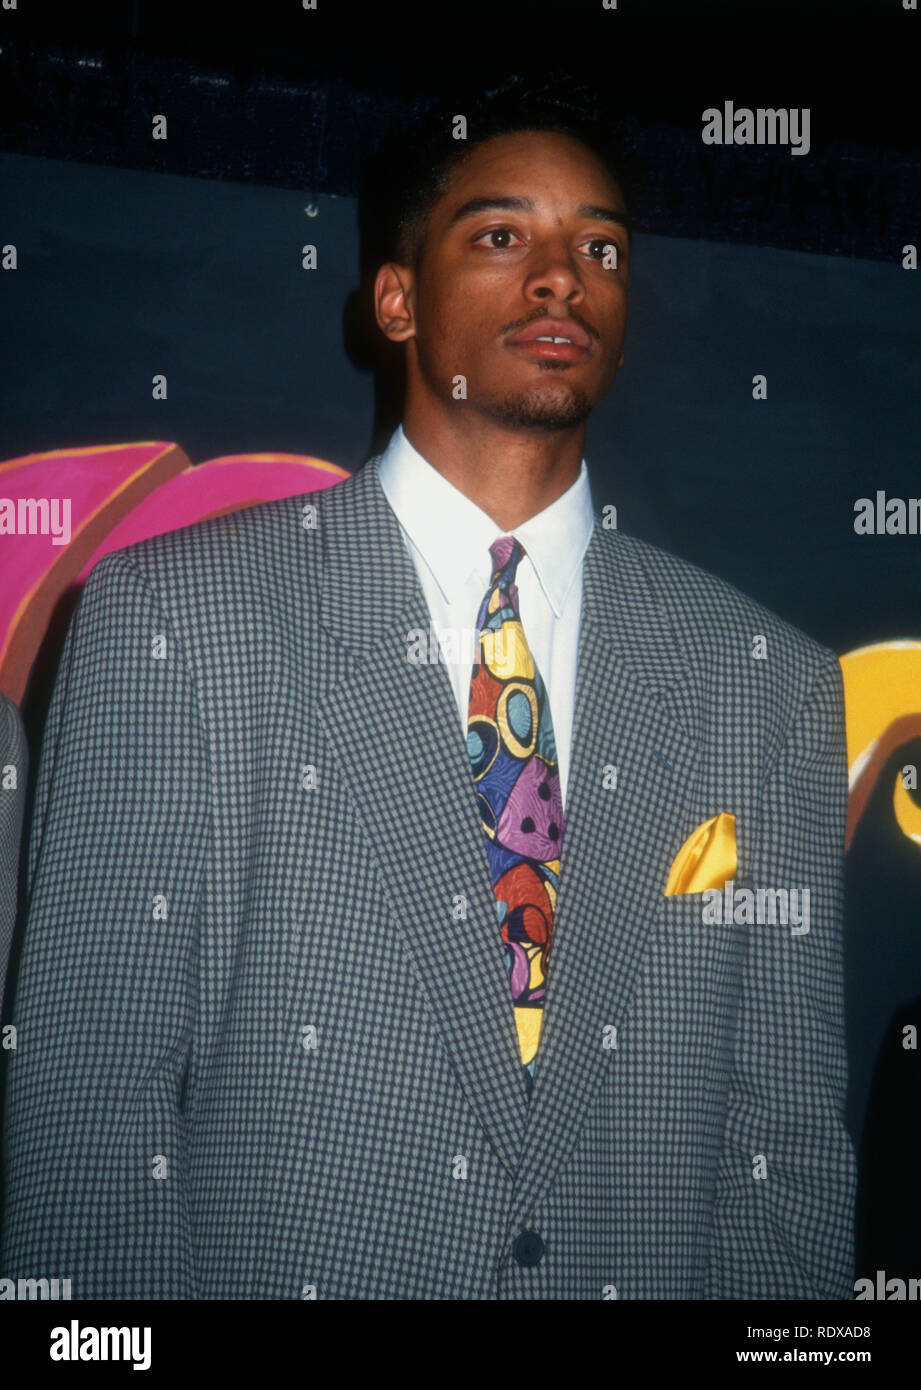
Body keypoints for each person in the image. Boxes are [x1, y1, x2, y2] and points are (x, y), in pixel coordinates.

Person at [0, 83, 856, 1299]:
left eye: (598, 246)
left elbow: (786, 1162)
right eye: (503, 235)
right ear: (396, 298)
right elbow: (90, 1111)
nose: (563, 275)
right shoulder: (174, 621)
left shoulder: (767, 686)